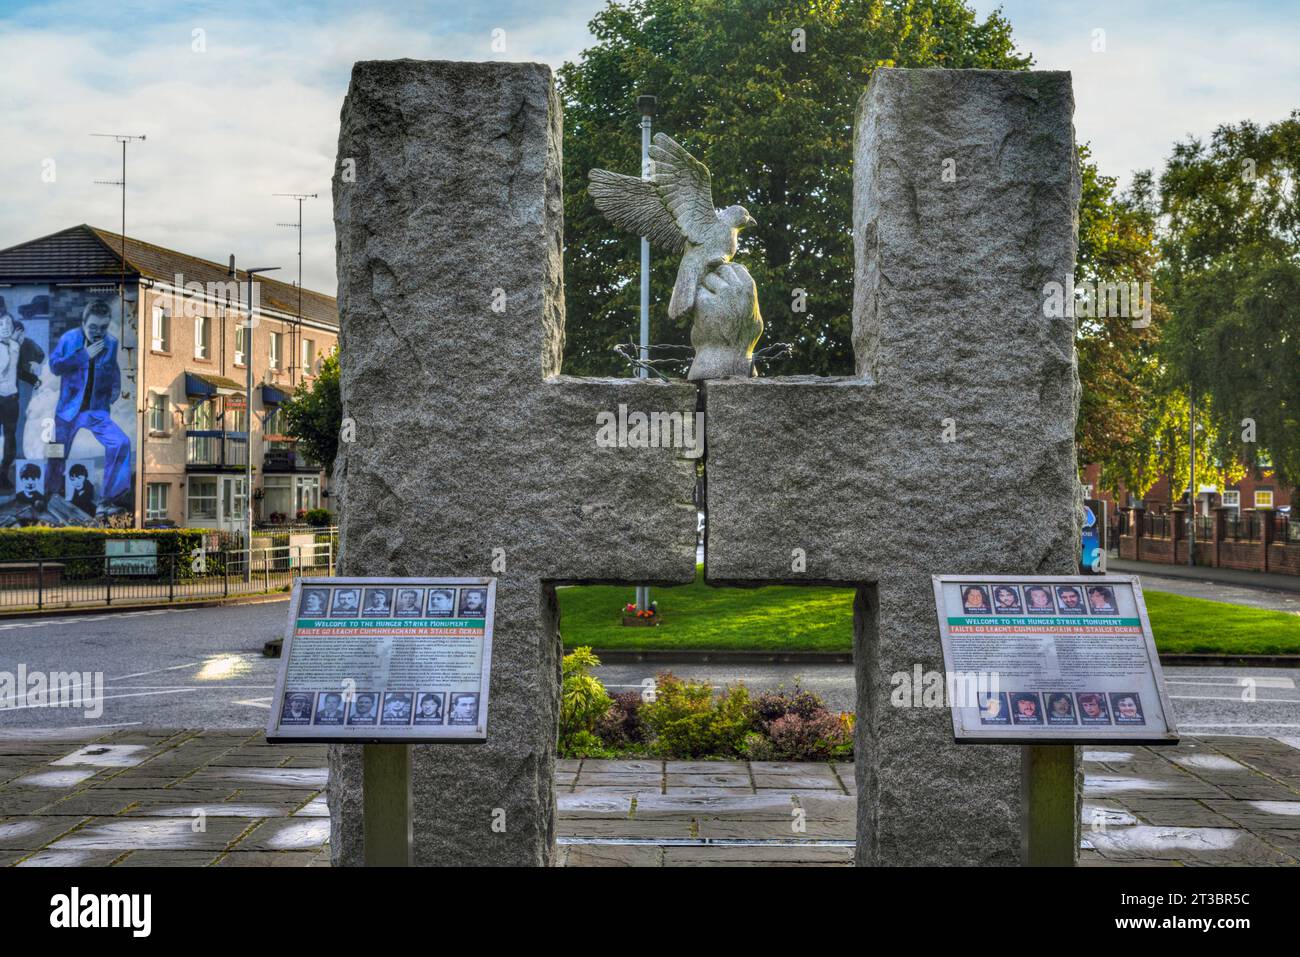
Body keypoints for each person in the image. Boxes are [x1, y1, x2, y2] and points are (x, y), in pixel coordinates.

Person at [48, 300, 132, 517]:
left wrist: (113, 394)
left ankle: (108, 498)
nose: (98, 332)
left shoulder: (111, 343)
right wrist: (84, 355)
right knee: (57, 451)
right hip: (68, 411)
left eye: (103, 328)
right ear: (83, 323)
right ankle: (50, 493)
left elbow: (114, 371)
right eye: (93, 327)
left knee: (121, 442)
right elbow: (55, 366)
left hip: (96, 411)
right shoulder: (69, 339)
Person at [12, 321, 44, 453]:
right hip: (15, 384)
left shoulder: (29, 343)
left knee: (20, 418)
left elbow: (41, 354)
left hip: (24, 385)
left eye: (21, 334)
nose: (20, 337)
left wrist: (35, 363)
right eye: (16, 334)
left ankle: (19, 451)